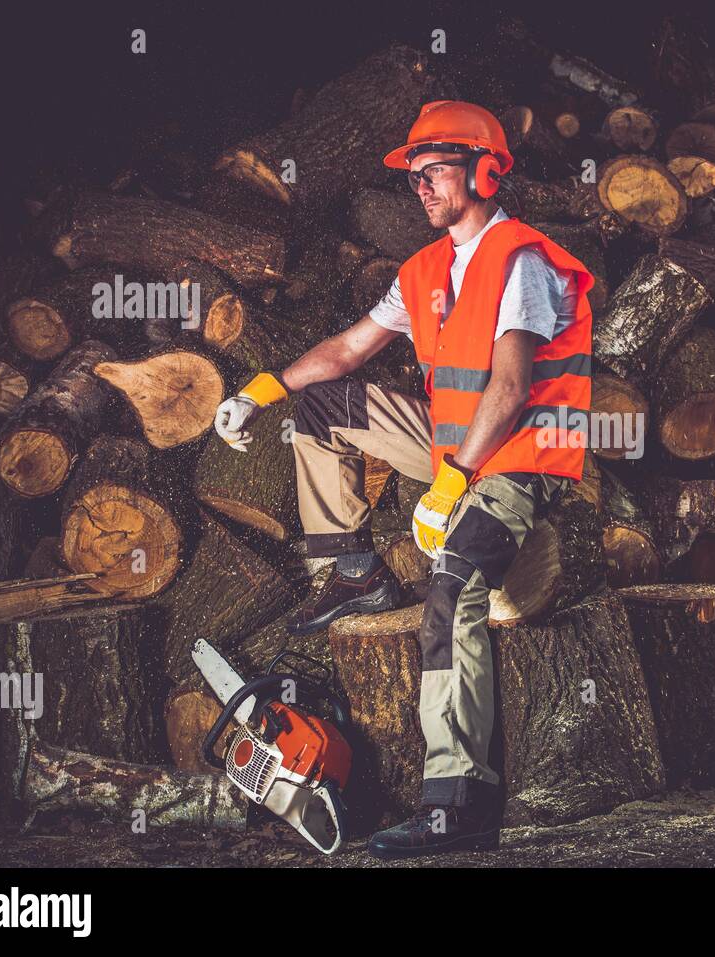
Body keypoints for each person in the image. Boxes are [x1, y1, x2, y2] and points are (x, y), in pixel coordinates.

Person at [212, 100, 594, 858]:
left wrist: (451, 485)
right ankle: (352, 569)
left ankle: (461, 806)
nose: (419, 187)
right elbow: (349, 349)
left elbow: (512, 387)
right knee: (317, 403)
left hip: (518, 455)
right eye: (413, 176)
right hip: (454, 444)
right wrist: (263, 388)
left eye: (435, 171)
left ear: (486, 170)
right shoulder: (424, 271)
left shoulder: (521, 260)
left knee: (451, 592)